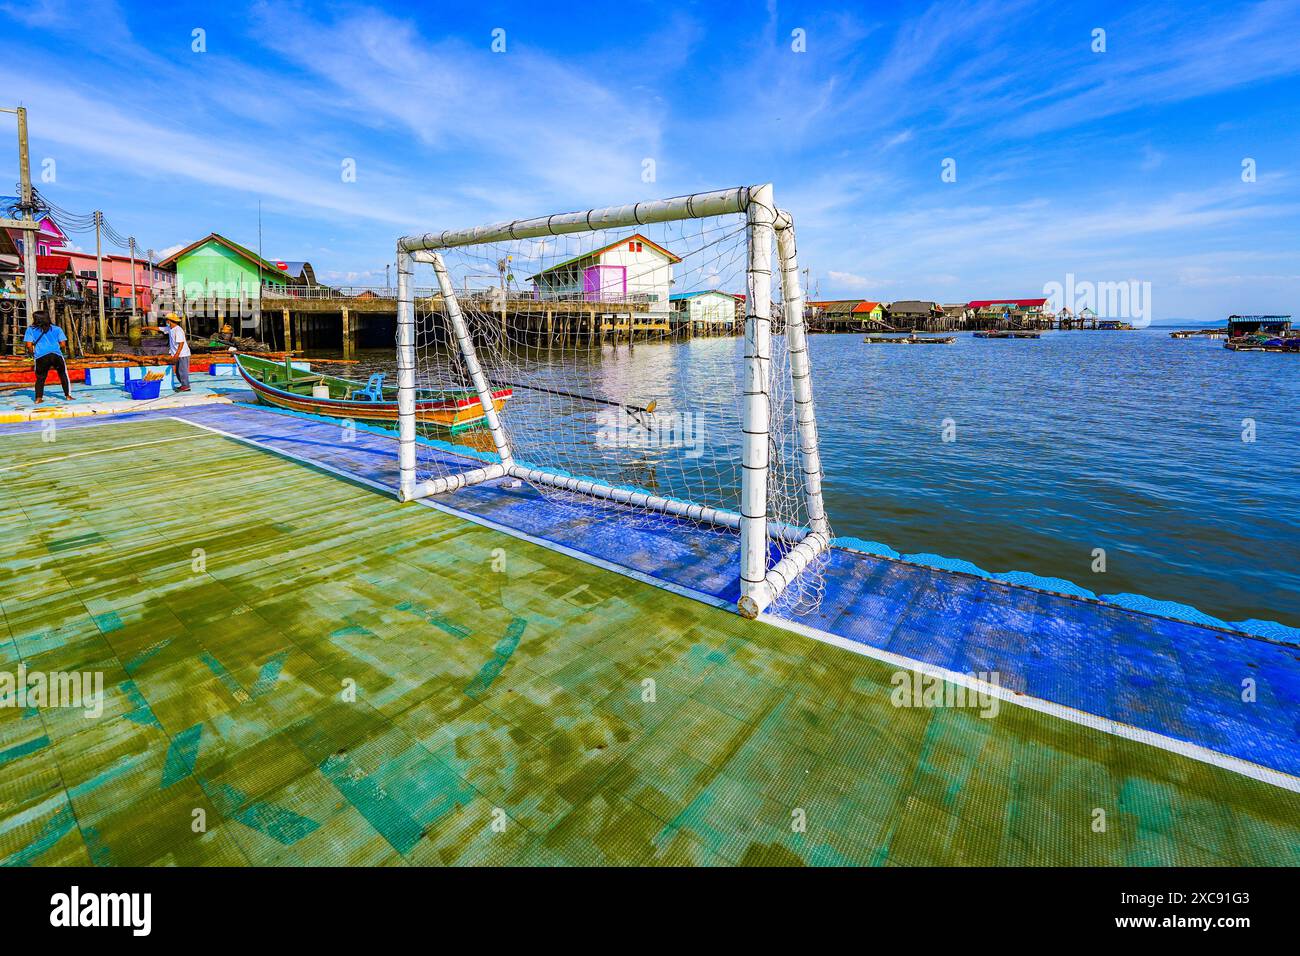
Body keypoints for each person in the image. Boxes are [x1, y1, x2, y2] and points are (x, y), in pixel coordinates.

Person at [23, 313, 73, 404]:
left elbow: (29, 345)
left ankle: (38, 398)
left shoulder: (31, 329)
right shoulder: (57, 329)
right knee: (63, 375)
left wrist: (32, 353)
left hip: (41, 356)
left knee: (40, 378)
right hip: (56, 354)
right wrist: (56, 348)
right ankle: (68, 396)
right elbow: (63, 344)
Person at [164, 312, 191, 392]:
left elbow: (181, 343)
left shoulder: (178, 330)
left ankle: (186, 386)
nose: (166, 322)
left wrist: (177, 354)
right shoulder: (170, 329)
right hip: (177, 354)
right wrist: (146, 328)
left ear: (169, 321)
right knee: (178, 371)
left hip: (182, 354)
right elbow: (159, 329)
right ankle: (183, 385)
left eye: (167, 320)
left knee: (182, 371)